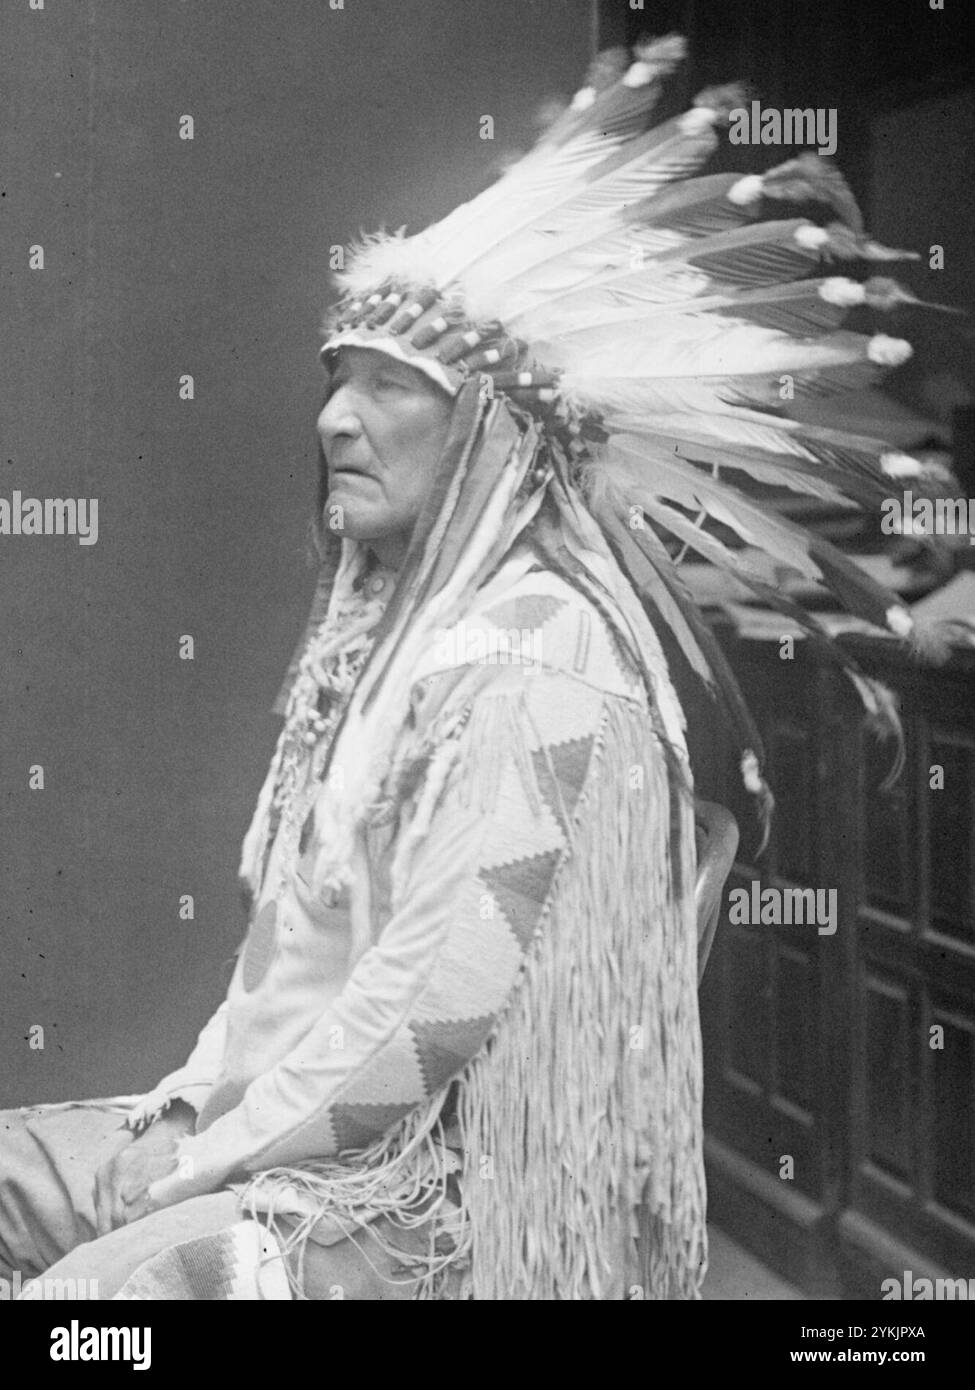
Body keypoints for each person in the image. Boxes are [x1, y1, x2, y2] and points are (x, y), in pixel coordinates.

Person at [1, 34, 940, 1301]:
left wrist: (213, 1159)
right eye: (338, 378)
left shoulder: (542, 662)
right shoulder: (390, 644)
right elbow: (294, 952)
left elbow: (427, 1016)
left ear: (493, 436)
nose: (334, 417)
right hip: (294, 1139)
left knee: (97, 1313)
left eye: (393, 385)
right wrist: (193, 1106)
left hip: (437, 1198)